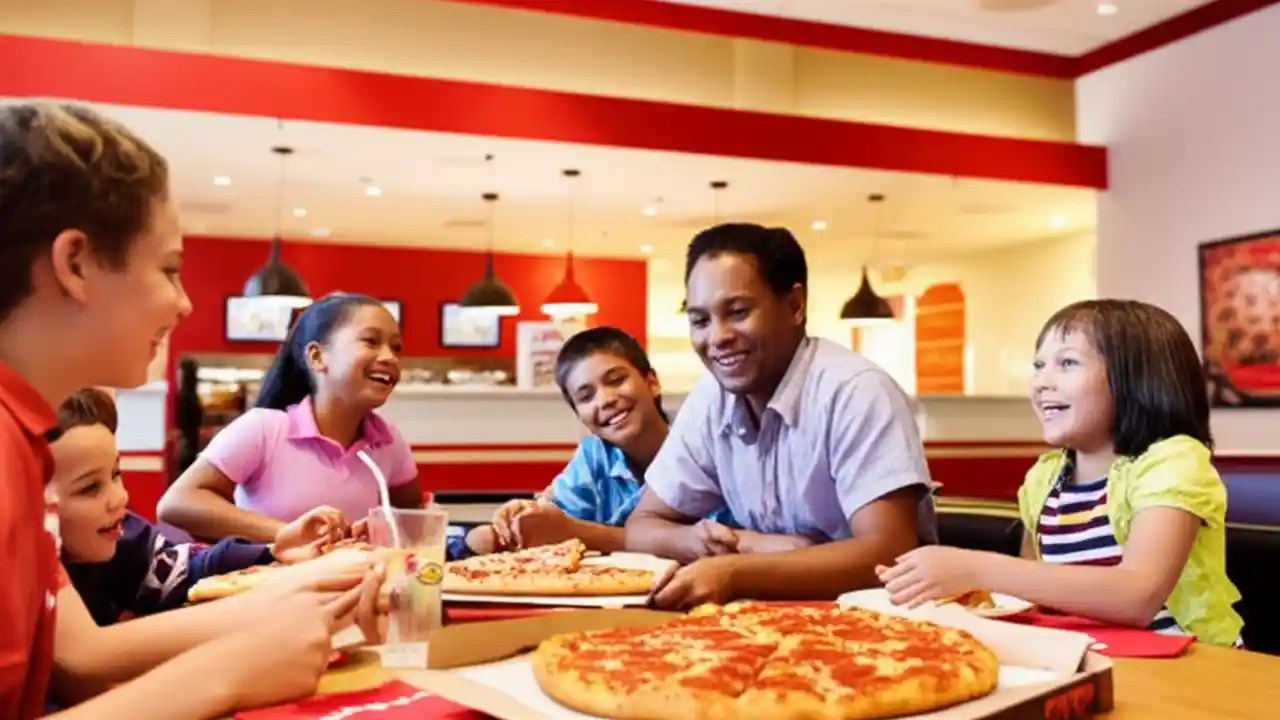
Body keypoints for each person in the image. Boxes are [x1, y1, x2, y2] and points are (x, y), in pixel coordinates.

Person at [0, 100, 379, 719]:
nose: (183, 304)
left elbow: (79, 652)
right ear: (76, 264)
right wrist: (224, 674)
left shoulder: (24, 442)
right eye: (170, 270)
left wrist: (302, 590)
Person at [878, 300, 1245, 646]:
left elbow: (1137, 597)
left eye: (1067, 363)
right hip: (1092, 655)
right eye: (1039, 366)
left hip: (1189, 665)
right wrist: (961, 591)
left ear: (1137, 379)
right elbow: (1030, 592)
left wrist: (974, 568)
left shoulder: (1173, 463)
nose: (1041, 382)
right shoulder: (1045, 478)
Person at [624, 223, 937, 610]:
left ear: (794, 306)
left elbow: (888, 552)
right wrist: (697, 541)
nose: (717, 337)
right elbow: (641, 526)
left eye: (737, 312)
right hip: (765, 620)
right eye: (700, 320)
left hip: (884, 622)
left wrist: (735, 571)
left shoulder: (855, 391)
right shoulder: (711, 398)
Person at [53, 388, 350, 625]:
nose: (121, 497)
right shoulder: (37, 587)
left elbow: (187, 566)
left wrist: (273, 550)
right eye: (90, 487)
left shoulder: (127, 538)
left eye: (116, 474)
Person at [158, 292, 424, 542]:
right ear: (317, 357)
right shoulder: (264, 429)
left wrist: (380, 528)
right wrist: (288, 534)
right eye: (371, 341)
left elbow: (412, 519)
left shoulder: (389, 442)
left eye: (396, 347)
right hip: (269, 575)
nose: (390, 357)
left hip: (357, 576)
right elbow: (177, 504)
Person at [462, 327, 736, 556]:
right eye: (586, 397)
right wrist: (517, 522)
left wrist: (578, 533)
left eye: (616, 380)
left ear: (652, 383)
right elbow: (550, 525)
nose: (605, 400)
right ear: (580, 416)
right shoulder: (595, 458)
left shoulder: (704, 448)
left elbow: (719, 545)